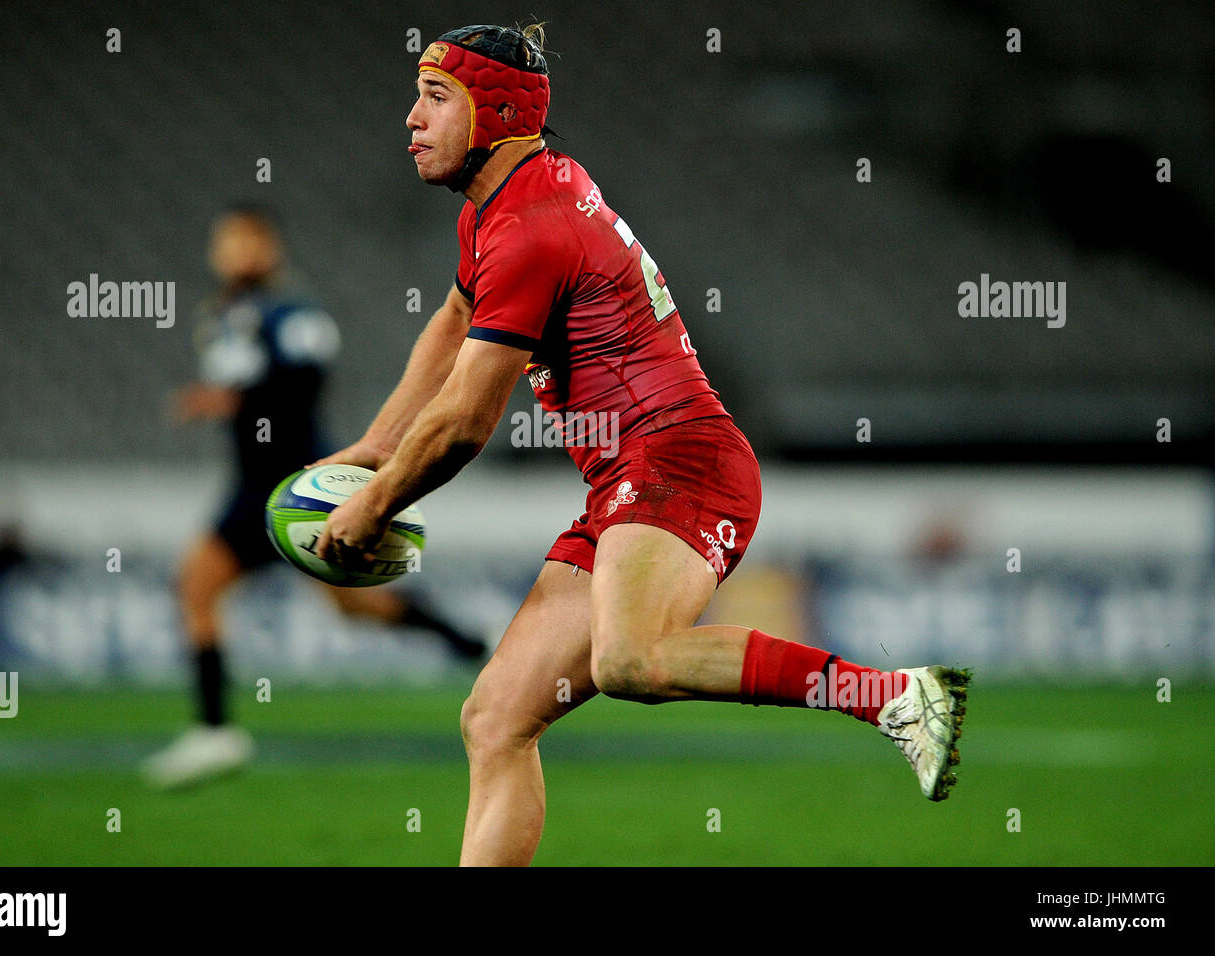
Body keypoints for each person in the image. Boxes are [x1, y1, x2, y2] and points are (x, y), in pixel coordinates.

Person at [312, 24, 970, 865]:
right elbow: (451, 323)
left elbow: (466, 424)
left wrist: (374, 505)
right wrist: (372, 446)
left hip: (679, 464)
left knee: (633, 659)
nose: (411, 118)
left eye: (437, 98)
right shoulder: (512, 200)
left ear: (500, 111)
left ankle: (892, 696)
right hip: (631, 478)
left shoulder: (529, 228)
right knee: (497, 719)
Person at [142, 205, 485, 790]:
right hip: (251, 486)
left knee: (348, 605)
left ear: (269, 246)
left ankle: (465, 641)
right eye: (226, 240)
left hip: (302, 481)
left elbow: (304, 377)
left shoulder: (291, 311)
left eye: (245, 239)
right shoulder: (223, 314)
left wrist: (231, 402)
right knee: (197, 585)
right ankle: (215, 731)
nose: (233, 250)